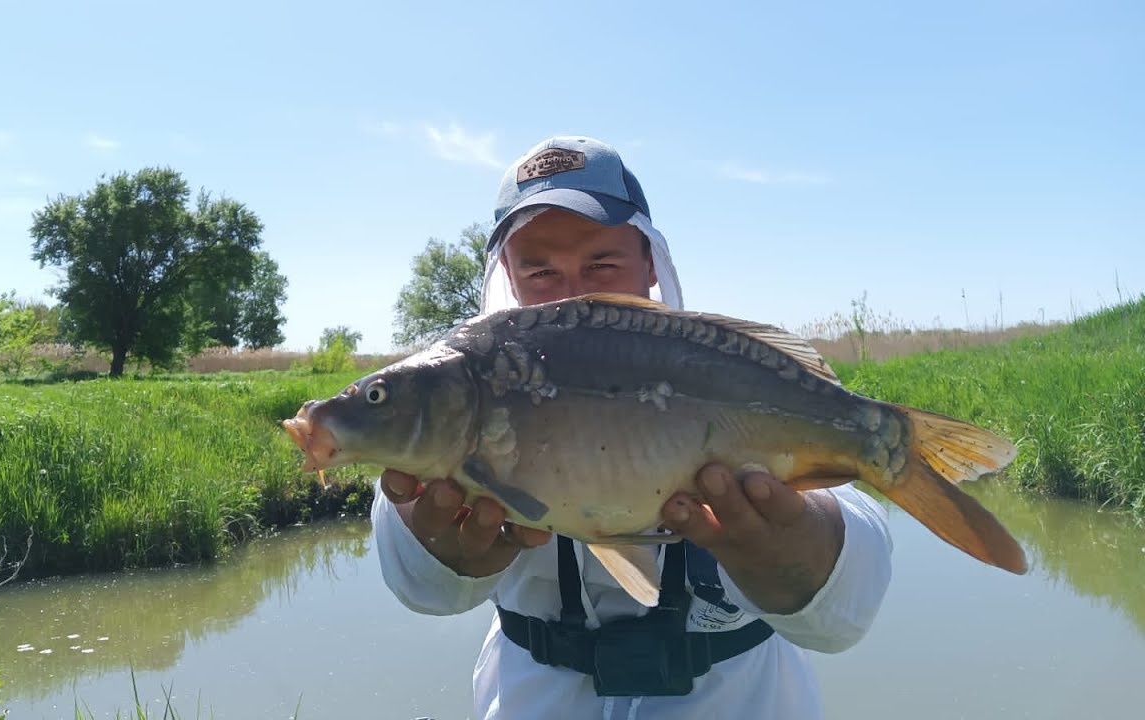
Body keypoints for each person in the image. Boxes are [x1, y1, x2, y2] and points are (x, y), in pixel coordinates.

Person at [371, 135, 893, 720]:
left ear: (649, 261)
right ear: (509, 277)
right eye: (540, 271)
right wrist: (433, 551)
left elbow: (847, 613)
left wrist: (799, 546)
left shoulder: (714, 364)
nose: (575, 292)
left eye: (602, 263)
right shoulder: (462, 382)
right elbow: (418, 587)